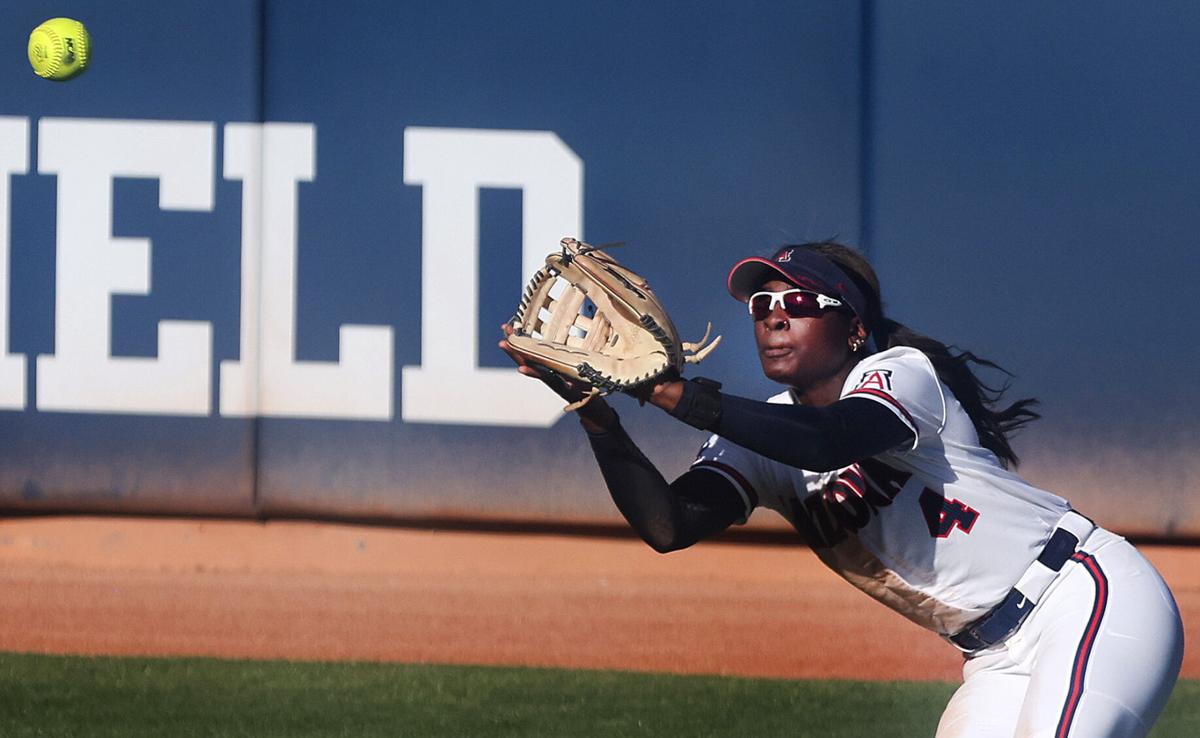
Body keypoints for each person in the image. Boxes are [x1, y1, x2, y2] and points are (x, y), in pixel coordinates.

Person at [500, 241, 1183, 737]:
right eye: (762, 305)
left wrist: (671, 393)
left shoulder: (900, 374)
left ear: (853, 327)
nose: (773, 317)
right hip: (995, 657)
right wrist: (597, 416)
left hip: (1081, 598)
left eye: (798, 302)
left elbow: (830, 440)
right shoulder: (757, 441)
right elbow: (668, 525)